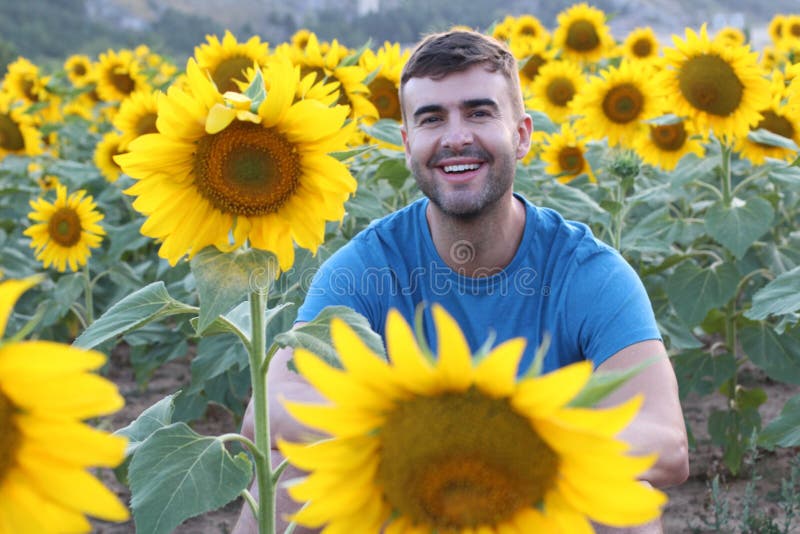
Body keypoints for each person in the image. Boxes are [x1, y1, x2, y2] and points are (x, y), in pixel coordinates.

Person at [233, 29, 689, 534]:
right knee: (285, 482)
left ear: (522, 133)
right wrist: (426, 439)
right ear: (408, 145)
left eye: (479, 112)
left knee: (626, 510)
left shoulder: (587, 273)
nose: (455, 137)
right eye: (432, 119)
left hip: (530, 504)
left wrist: (508, 446)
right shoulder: (367, 266)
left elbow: (666, 442)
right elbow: (270, 408)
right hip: (407, 499)